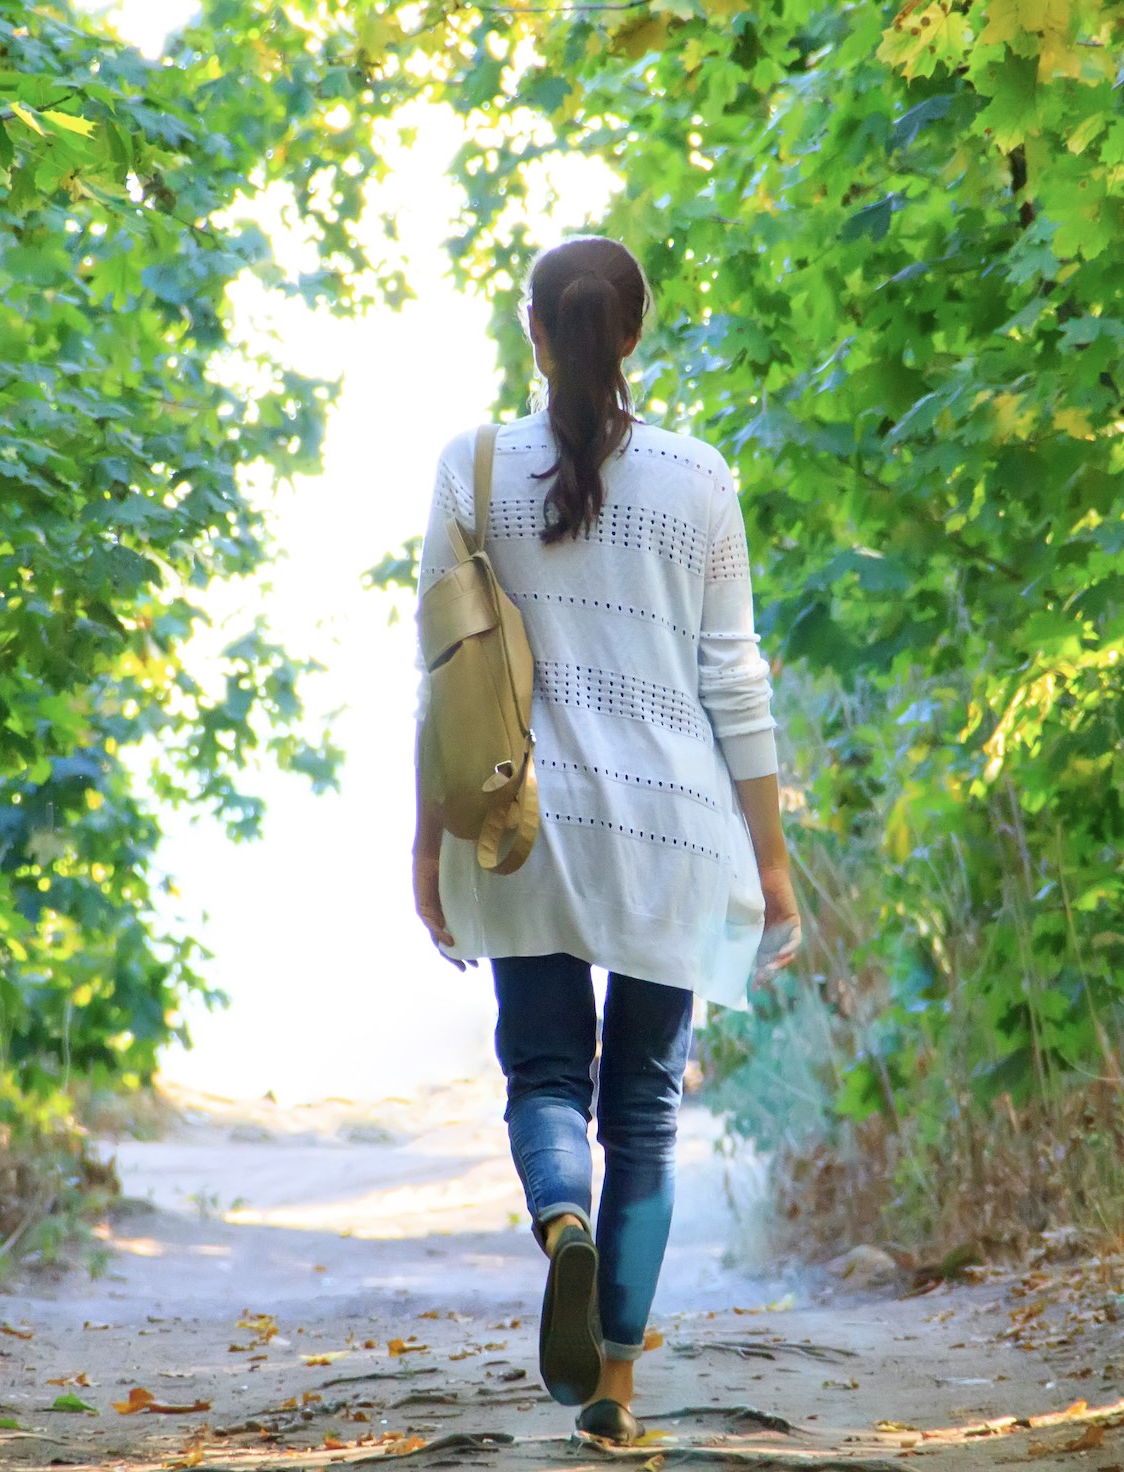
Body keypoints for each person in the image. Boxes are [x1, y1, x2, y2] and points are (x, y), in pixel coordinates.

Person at [409, 235, 802, 1445]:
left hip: (524, 826)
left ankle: (559, 1222)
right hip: (671, 833)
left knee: (541, 1075)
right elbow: (735, 682)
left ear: (536, 333)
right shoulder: (701, 481)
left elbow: (443, 676)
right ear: (630, 334)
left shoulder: (471, 470)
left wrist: (425, 846)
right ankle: (613, 1392)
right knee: (642, 1108)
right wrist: (772, 863)